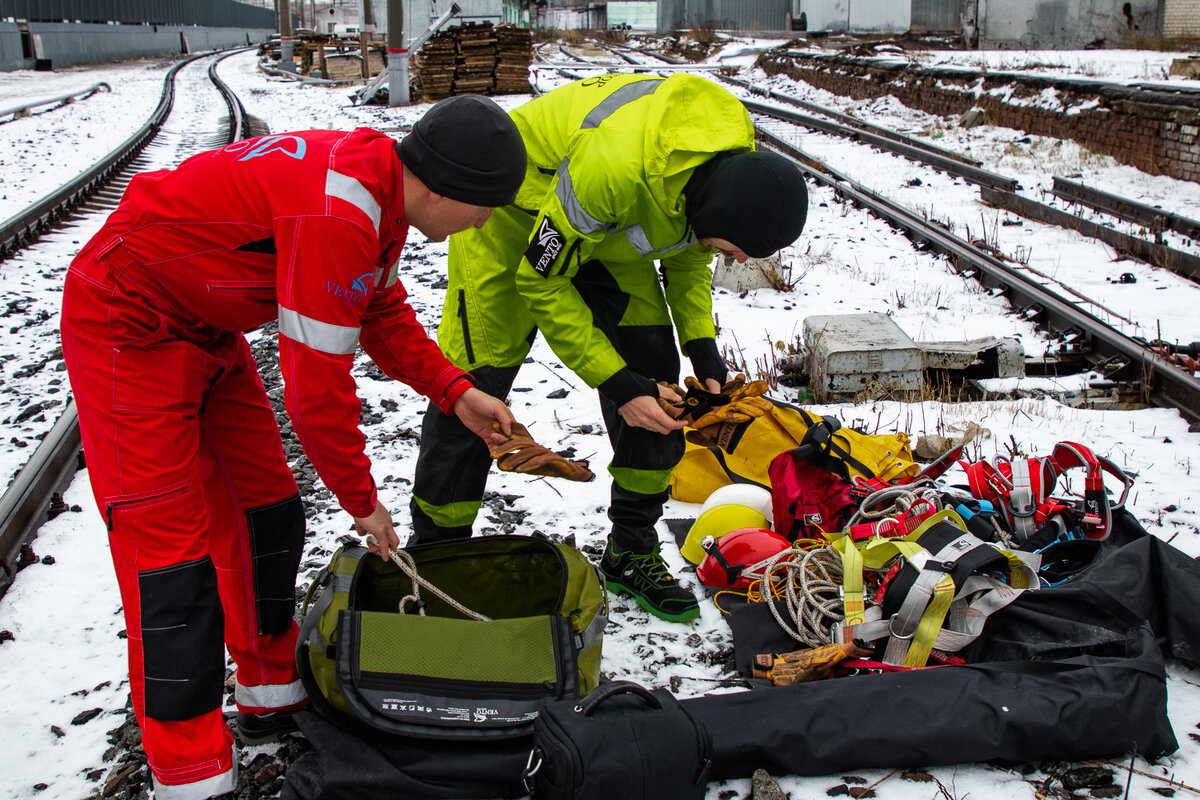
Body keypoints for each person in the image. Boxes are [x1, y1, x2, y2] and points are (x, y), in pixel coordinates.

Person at [59, 95, 525, 800]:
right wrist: (362, 503)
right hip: (130, 320)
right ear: (439, 189)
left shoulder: (382, 189)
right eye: (483, 208)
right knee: (169, 562)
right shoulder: (340, 211)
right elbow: (314, 394)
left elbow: (379, 308)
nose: (485, 223)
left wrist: (455, 391)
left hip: (206, 325)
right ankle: (189, 775)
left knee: (267, 511)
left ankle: (269, 691)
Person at [409, 73, 809, 623]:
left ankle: (631, 549)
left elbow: (691, 246)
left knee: (659, 391)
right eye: (738, 252)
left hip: (612, 231)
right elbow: (541, 280)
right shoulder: (615, 166)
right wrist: (616, 385)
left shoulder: (722, 162)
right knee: (470, 392)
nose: (738, 263)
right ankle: (438, 558)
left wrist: (702, 347)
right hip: (512, 212)